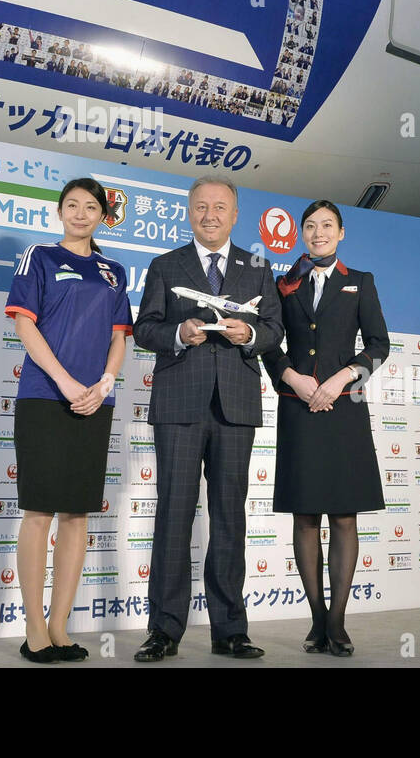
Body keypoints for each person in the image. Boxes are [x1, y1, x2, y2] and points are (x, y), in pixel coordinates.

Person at [131, 176, 283, 661]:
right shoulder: (165, 265)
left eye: (220, 207)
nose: (210, 215)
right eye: (201, 206)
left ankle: (230, 630)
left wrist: (248, 335)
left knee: (229, 518)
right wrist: (179, 333)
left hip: (235, 405)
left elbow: (274, 328)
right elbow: (144, 329)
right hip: (179, 404)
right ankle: (164, 630)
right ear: (188, 212)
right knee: (173, 515)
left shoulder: (258, 267)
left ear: (235, 215)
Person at [4, 178, 132, 663]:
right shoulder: (39, 256)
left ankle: (60, 626)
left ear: (102, 216)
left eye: (90, 207)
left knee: (77, 513)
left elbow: (119, 336)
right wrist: (65, 382)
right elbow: (25, 323)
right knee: (39, 512)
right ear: (60, 211)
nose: (80, 213)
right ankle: (34, 628)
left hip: (94, 402)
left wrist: (104, 384)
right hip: (44, 396)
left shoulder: (114, 271)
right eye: (72, 205)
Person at [262, 199, 389, 657]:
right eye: (311, 226)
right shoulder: (284, 284)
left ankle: (337, 622)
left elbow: (379, 344)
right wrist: (293, 378)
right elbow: (268, 343)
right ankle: (317, 620)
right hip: (298, 406)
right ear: (302, 234)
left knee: (343, 515)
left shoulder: (361, 282)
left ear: (341, 232)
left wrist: (342, 379)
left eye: (327, 225)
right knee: (304, 516)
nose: (319, 233)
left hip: (344, 407)